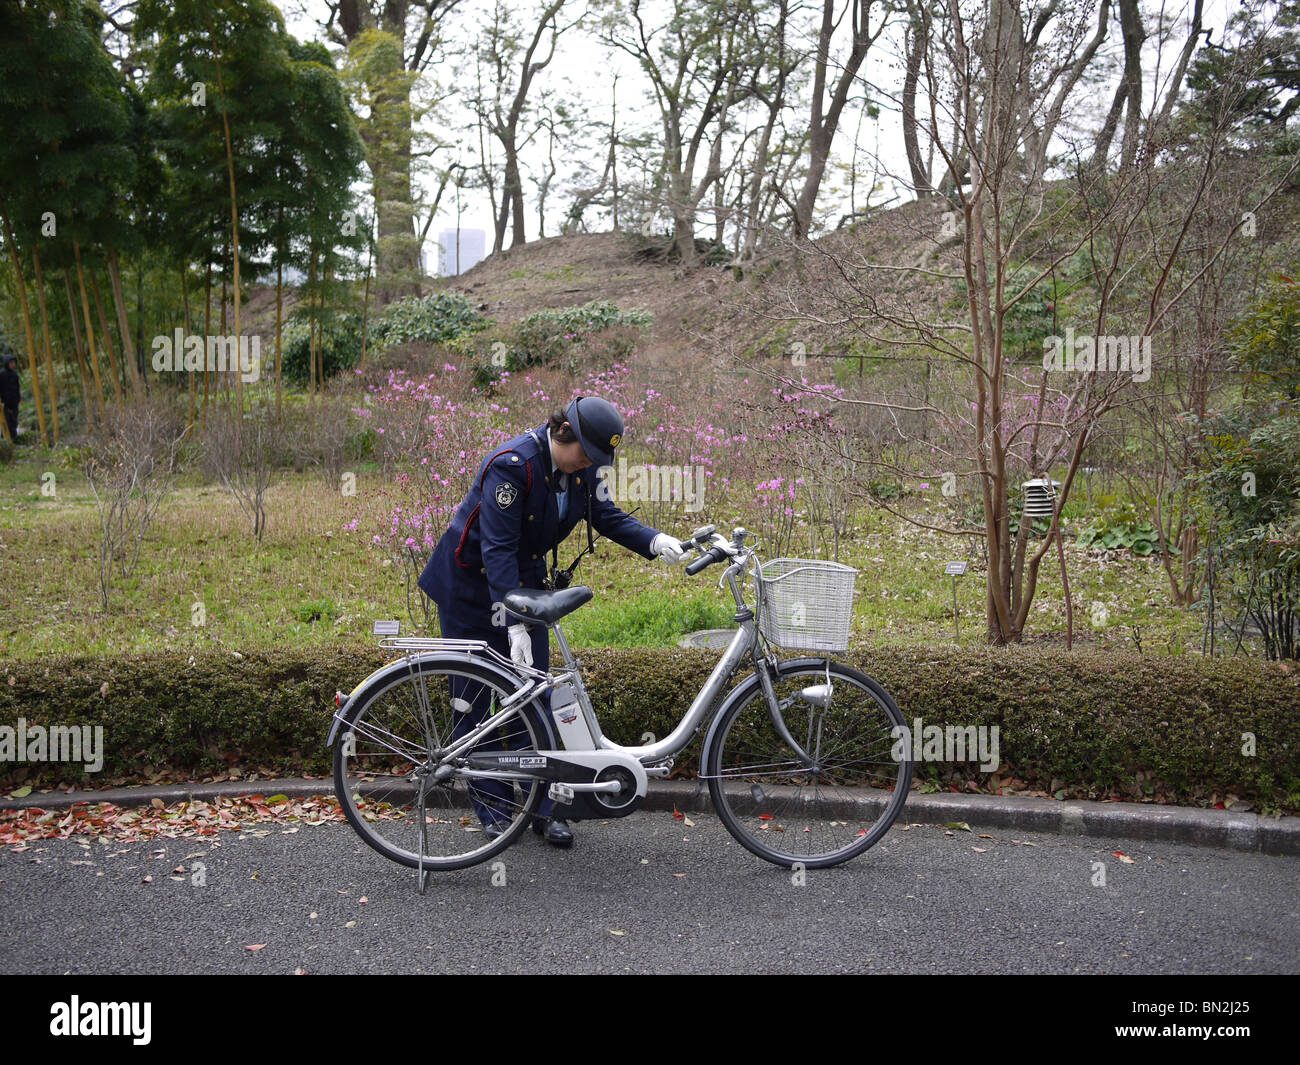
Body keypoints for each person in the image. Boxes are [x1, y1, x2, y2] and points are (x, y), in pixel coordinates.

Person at [418, 395, 685, 847]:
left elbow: (605, 516)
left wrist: (655, 540)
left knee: (537, 703)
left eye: (595, 460)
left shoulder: (583, 467)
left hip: (525, 590)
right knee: (475, 702)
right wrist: (514, 623)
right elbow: (496, 549)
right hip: (470, 593)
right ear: (562, 433)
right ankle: (496, 811)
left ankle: (545, 809)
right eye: (583, 454)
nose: (586, 465)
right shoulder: (511, 465)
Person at [0, 354, 20, 444]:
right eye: (11, 363)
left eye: (14, 363)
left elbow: (17, 387)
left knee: (14, 422)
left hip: (14, 402)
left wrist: (19, 397)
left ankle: (13, 440)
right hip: (5, 403)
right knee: (7, 423)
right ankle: (6, 442)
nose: (13, 365)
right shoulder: (2, 374)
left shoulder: (15, 374)